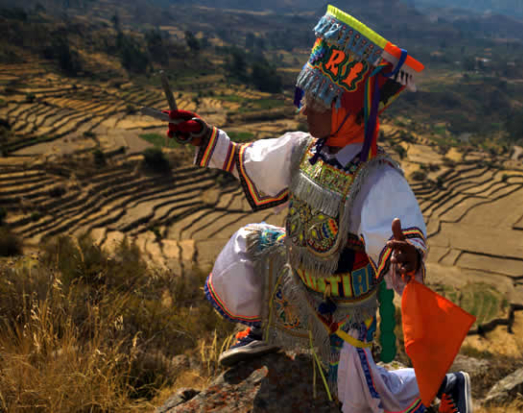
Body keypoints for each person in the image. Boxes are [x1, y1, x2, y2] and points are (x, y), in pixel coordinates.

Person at [166, 6, 471, 413]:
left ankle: (444, 387)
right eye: (307, 95)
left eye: (317, 99)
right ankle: (265, 326)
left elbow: (401, 242)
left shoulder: (376, 176)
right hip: (295, 281)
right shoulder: (302, 149)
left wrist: (406, 256)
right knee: (251, 241)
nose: (304, 107)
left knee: (361, 398)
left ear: (346, 108)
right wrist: (203, 135)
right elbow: (245, 158)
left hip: (341, 310)